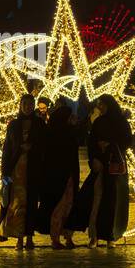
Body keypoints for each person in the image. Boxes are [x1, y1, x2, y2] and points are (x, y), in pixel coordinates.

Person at [68, 94, 132, 246]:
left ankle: (110, 236)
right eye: (98, 105)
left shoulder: (121, 122)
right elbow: (91, 142)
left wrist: (110, 145)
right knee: (93, 198)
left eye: (102, 104)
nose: (100, 107)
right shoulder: (98, 122)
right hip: (100, 165)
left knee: (113, 202)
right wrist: (94, 159)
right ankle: (93, 234)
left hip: (115, 168)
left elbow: (128, 141)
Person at [0, 94, 46, 249]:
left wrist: (32, 147)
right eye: (24, 104)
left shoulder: (39, 124)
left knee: (31, 204)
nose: (27, 107)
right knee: (16, 204)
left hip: (33, 170)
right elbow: (7, 150)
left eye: (30, 104)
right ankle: (19, 237)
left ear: (33, 106)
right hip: (15, 172)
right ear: (20, 105)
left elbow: (45, 146)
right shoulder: (13, 125)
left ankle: (29, 238)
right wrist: (4, 174)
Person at [35, 98, 80, 248]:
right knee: (58, 208)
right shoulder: (54, 134)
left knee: (70, 207)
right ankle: (56, 239)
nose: (72, 119)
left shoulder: (68, 132)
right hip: (57, 179)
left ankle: (67, 237)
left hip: (68, 178)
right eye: (70, 117)